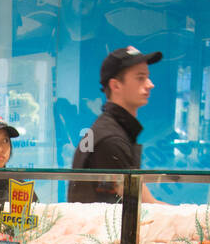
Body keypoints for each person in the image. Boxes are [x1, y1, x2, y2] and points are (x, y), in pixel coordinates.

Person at [69, 46, 161, 204]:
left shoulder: (110, 130)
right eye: (140, 78)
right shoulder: (110, 139)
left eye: (148, 77)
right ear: (116, 85)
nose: (150, 84)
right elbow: (145, 206)